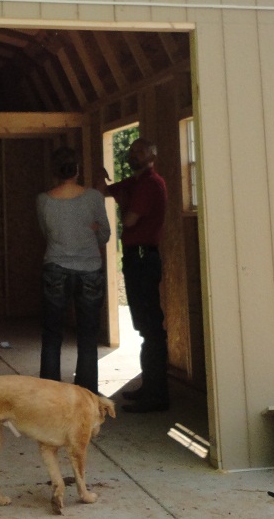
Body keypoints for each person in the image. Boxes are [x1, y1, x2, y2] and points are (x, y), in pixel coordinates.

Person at [98, 137, 170, 413]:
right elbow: (103, 191)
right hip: (135, 257)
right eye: (131, 151)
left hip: (142, 258)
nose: (133, 154)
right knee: (143, 325)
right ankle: (149, 387)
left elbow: (129, 220)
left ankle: (157, 394)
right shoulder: (134, 183)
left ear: (152, 156)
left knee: (151, 326)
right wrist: (102, 180)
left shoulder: (150, 184)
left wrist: (122, 200)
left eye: (140, 151)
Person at [36, 146, 111, 394]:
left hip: (55, 269)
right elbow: (105, 235)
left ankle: (50, 397)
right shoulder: (94, 198)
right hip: (90, 270)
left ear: (55, 172)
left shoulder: (44, 200)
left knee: (52, 335)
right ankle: (86, 397)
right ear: (77, 170)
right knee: (88, 337)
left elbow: (46, 234)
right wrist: (89, 230)